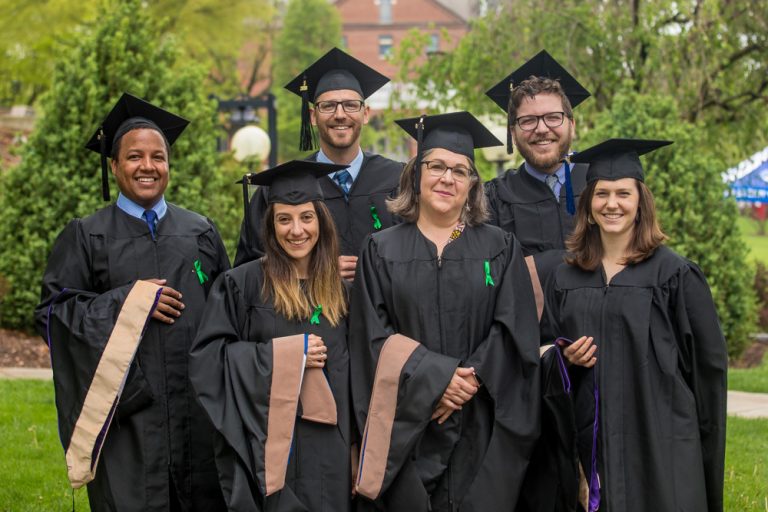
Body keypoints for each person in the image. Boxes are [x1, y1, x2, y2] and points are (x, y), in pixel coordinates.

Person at [34, 93, 230, 511]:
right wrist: (130, 303)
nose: (148, 166)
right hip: (128, 418)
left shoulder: (200, 232)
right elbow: (54, 315)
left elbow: (228, 314)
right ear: (114, 165)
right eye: (134, 156)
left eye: (158, 156)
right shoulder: (87, 235)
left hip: (197, 413)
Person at [350, 112, 541, 511]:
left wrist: (466, 382)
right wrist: (436, 379)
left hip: (481, 422)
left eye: (460, 170)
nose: (447, 178)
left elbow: (513, 326)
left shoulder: (500, 247)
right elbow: (372, 335)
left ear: (472, 184)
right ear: (416, 175)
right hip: (410, 427)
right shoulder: (381, 249)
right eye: (436, 166)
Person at [541, 139, 727, 511]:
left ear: (640, 202)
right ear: (589, 206)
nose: (612, 204)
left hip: (661, 447)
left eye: (623, 193)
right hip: (592, 449)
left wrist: (703, 453)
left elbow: (707, 373)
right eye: (602, 194)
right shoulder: (566, 277)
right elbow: (546, 352)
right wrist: (564, 359)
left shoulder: (675, 275)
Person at [190, 160, 354, 511]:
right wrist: (284, 357)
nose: (297, 230)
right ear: (270, 224)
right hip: (265, 448)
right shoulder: (242, 285)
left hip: (331, 456)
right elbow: (210, 361)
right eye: (284, 219)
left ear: (321, 222)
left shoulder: (344, 293)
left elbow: (362, 378)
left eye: (306, 217)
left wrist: (358, 450)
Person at [235, 47, 404, 280]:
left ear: (365, 113)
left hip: (383, 315)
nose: (340, 114)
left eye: (351, 105)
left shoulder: (399, 180)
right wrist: (313, 269)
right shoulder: (282, 185)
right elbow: (249, 270)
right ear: (313, 116)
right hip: (309, 314)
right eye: (328, 106)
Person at [484, 50, 591, 260]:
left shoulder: (600, 183)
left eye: (553, 117)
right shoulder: (493, 199)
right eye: (528, 120)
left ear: (572, 125)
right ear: (513, 133)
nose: (541, 129)